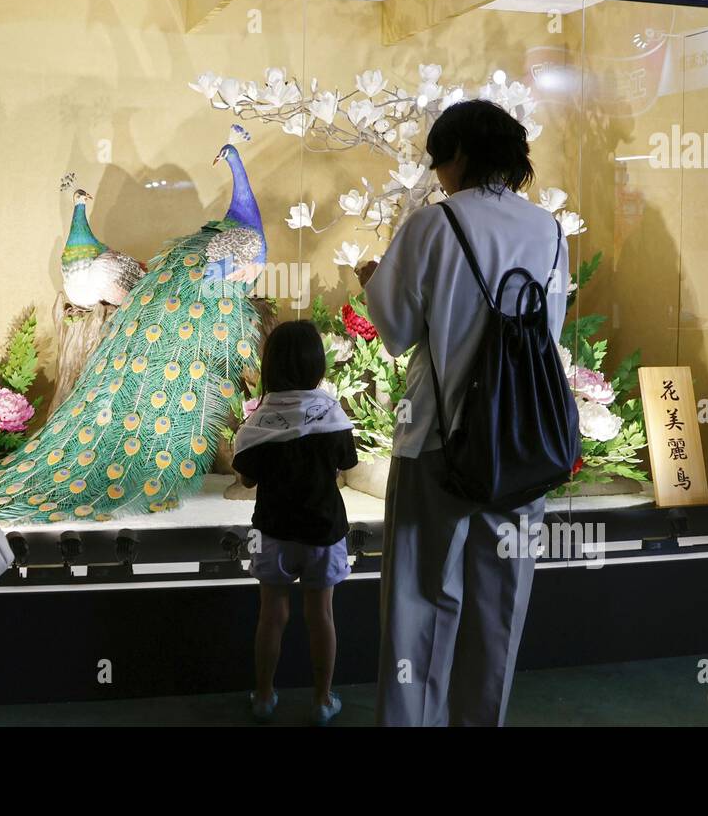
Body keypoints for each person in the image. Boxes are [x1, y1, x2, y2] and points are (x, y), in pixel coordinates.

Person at [356, 99, 568, 727]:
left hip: (435, 441)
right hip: (523, 445)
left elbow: (394, 331)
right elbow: (548, 330)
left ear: (459, 155)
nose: (436, 174)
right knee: (500, 607)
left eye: (438, 159)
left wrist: (371, 278)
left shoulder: (433, 225)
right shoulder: (549, 230)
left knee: (420, 603)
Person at [231, 320, 359, 725]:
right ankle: (322, 700)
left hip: (274, 531)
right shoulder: (331, 413)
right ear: (317, 365)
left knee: (272, 614)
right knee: (321, 614)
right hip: (323, 531)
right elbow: (346, 462)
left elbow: (248, 476)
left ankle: (265, 696)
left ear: (269, 366)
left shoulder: (260, 421)